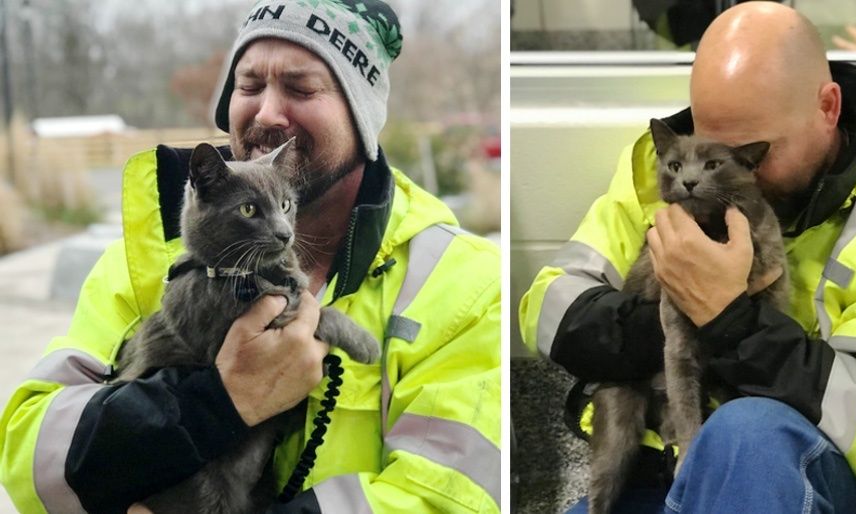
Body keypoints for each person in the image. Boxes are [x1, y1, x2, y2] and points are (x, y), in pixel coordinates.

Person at [0, 1, 500, 513]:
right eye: (249, 85)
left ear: (361, 116)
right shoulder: (146, 254)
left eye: (301, 88)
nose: (266, 112)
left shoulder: (464, 282)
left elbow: (447, 497)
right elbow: (30, 455)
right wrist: (211, 404)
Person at [519, 2, 856, 513]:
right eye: (710, 143)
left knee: (748, 431)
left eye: (752, 154)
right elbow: (550, 308)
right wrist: (676, 316)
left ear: (828, 108)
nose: (724, 174)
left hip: (805, 470)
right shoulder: (672, 169)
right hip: (664, 453)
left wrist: (734, 320)